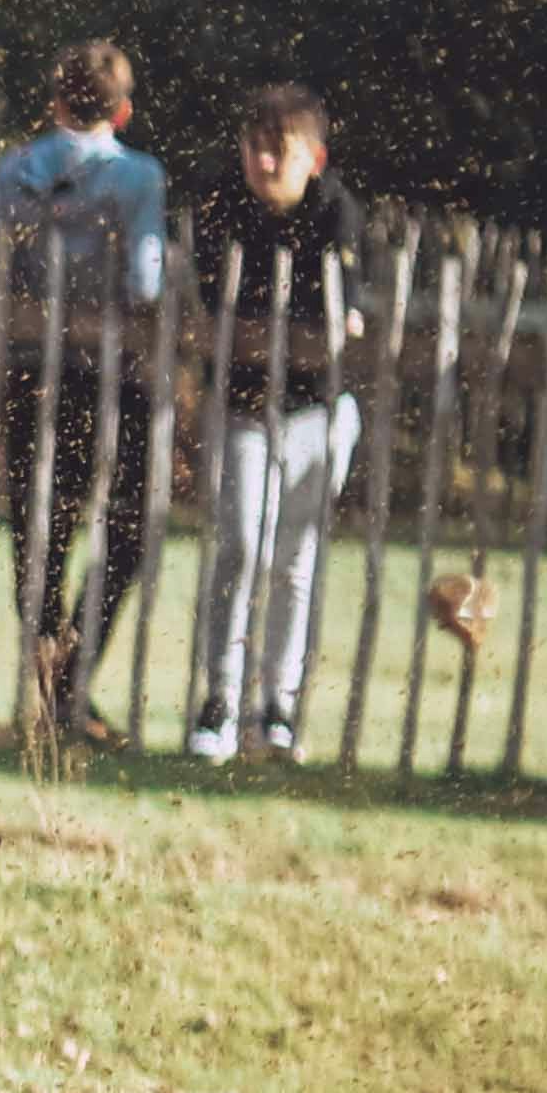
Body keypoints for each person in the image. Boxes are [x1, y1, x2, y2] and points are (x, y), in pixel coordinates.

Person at [0, 41, 178, 747]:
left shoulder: (16, 167)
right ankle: (70, 683)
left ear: (54, 103)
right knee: (126, 528)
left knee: (38, 529)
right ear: (123, 110)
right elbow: (145, 285)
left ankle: (56, 690)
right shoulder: (139, 176)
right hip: (112, 375)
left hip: (29, 367)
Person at [186, 84, 360, 763]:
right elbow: (210, 294)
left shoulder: (337, 210)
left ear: (312, 157)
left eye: (279, 149)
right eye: (254, 145)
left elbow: (349, 303)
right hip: (243, 407)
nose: (262, 161)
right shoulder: (221, 203)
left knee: (294, 560)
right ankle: (219, 700)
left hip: (318, 410)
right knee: (240, 547)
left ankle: (277, 706)